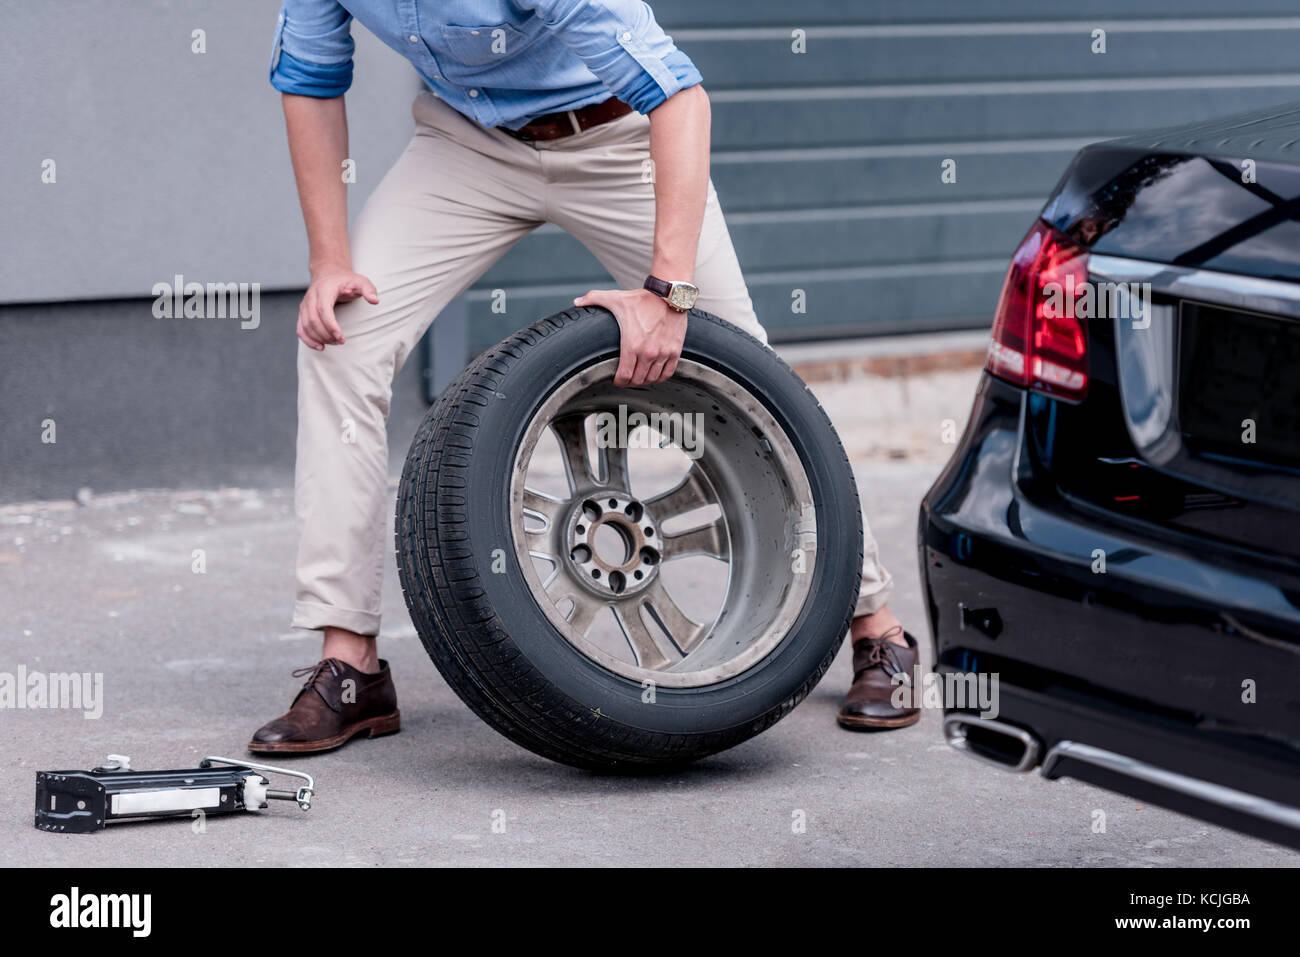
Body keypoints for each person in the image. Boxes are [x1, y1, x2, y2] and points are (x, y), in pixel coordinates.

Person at [249, 0, 918, 754]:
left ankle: (874, 625)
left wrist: (669, 293)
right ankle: (351, 667)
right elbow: (309, 76)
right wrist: (329, 260)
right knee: (340, 339)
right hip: (467, 145)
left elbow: (679, 98)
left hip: (614, 137)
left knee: (751, 371)